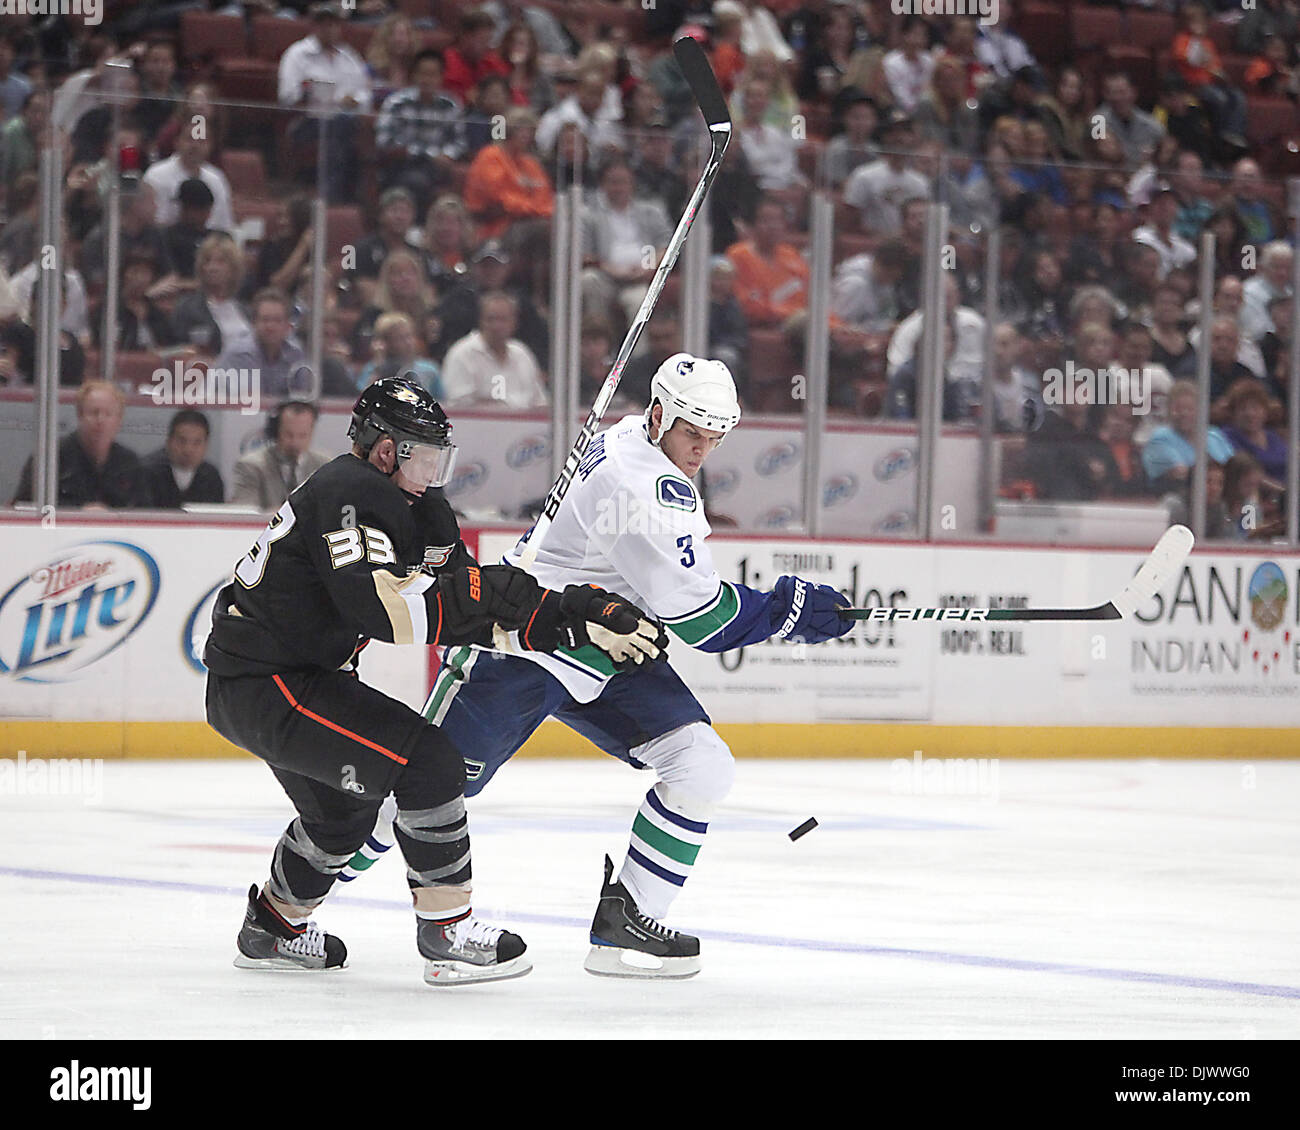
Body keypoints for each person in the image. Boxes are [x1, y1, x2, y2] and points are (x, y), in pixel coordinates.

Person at [341, 357, 854, 978]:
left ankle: (627, 924)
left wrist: (780, 612)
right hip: (523, 639)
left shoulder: (630, 435)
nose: (703, 449)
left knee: (701, 765)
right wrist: (791, 609)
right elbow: (702, 622)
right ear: (660, 414)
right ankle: (291, 905)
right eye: (694, 431)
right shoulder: (641, 486)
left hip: (607, 641)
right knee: (425, 786)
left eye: (716, 437)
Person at [204, 375, 661, 984]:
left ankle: (273, 926)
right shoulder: (348, 490)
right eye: (423, 454)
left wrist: (569, 614)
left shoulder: (418, 507)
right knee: (428, 762)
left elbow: (474, 603)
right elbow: (388, 610)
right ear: (386, 449)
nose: (433, 470)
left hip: (289, 680)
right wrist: (553, 611)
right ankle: (447, 929)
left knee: (341, 820)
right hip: (268, 683)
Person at [12, 380, 149, 508]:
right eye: (94, 413)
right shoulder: (50, 458)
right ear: (80, 416)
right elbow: (24, 505)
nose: (100, 420)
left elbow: (144, 511)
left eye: (108, 414)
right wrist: (78, 512)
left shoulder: (129, 462)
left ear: (119, 420)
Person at [440, 290, 547, 409]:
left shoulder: (522, 354)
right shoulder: (462, 354)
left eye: (503, 320)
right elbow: (458, 406)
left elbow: (540, 403)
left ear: (514, 322)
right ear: (481, 321)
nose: (496, 326)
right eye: (491, 319)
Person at [229, 401, 330, 512]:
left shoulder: (325, 466)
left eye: (303, 435)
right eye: (288, 435)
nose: (295, 443)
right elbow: (245, 512)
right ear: (275, 431)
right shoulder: (251, 466)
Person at [143, 409, 225, 508]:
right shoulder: (148, 473)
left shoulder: (211, 477)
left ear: (206, 445)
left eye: (197, 443)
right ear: (169, 442)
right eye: (182, 441)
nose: (188, 450)